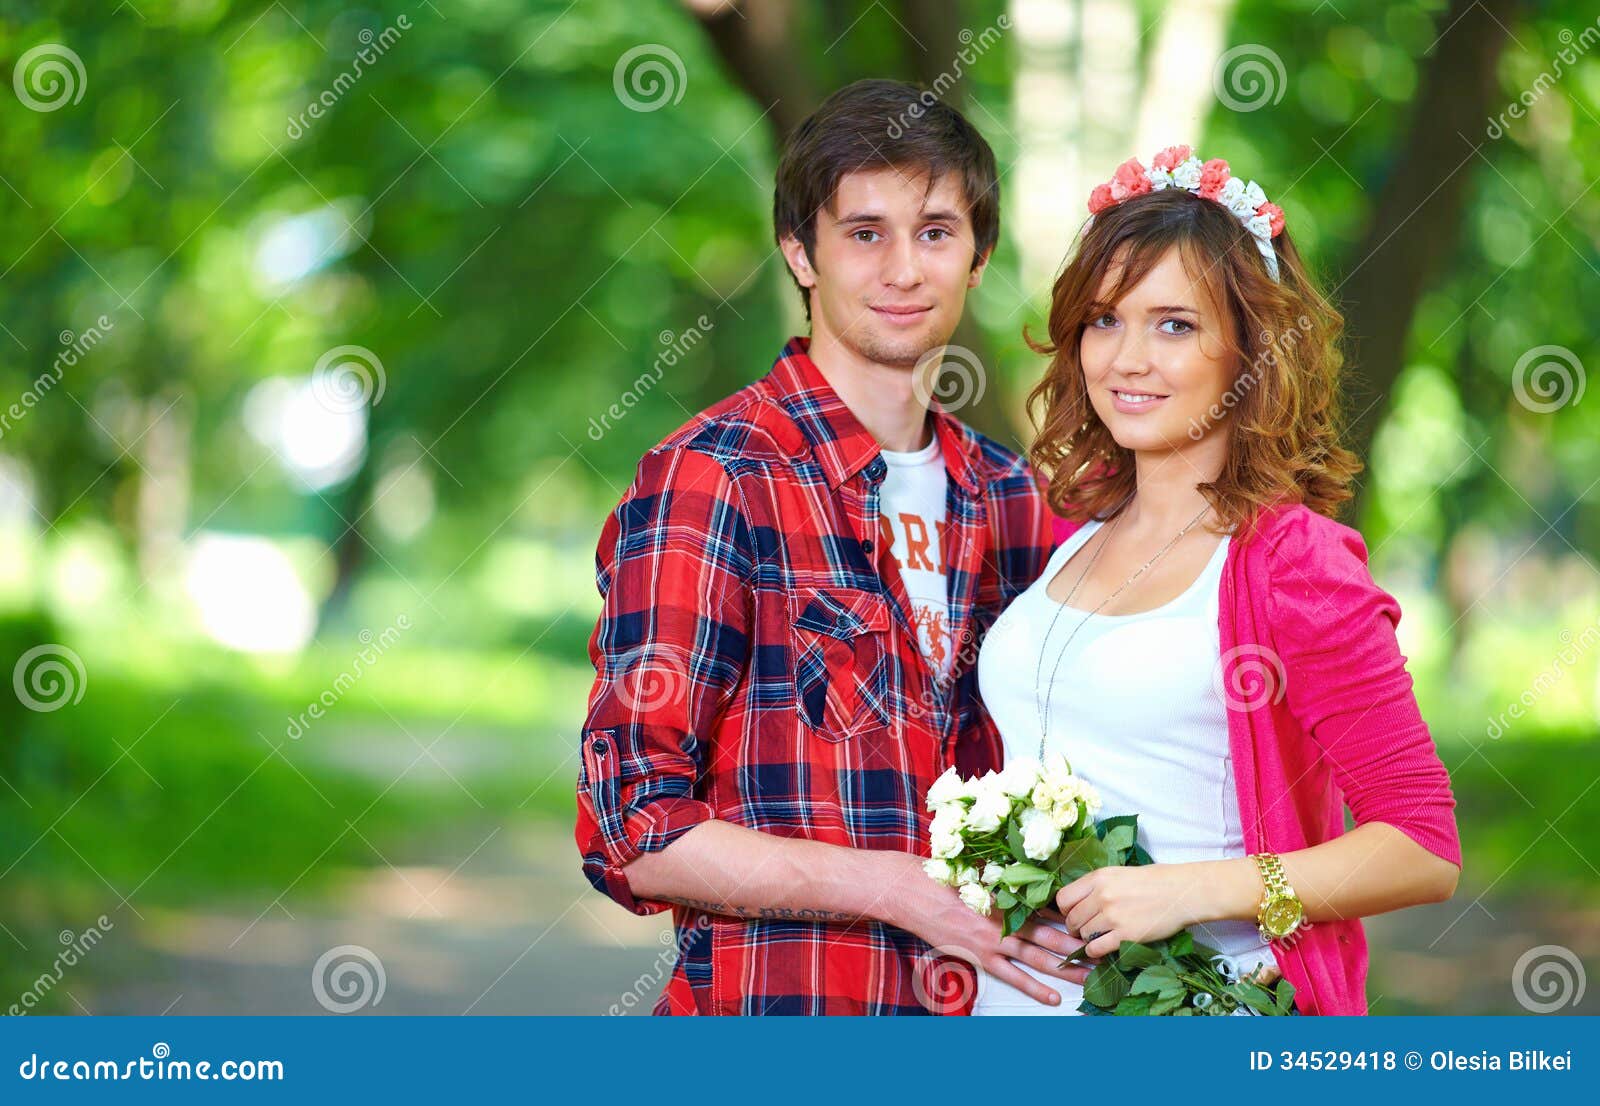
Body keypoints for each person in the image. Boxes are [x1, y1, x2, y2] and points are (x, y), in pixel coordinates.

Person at [574, 80, 1087, 1015]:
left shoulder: (1012, 497)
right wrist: (896, 888)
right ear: (799, 253)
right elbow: (636, 826)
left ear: (978, 260)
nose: (902, 268)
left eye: (936, 231)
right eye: (864, 233)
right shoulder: (716, 477)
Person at [969, 146, 1461, 1015]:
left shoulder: (1292, 563)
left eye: (1175, 325)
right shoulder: (1066, 538)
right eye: (1104, 320)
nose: (1126, 358)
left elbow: (1422, 848)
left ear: (1250, 354)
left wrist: (1195, 890)